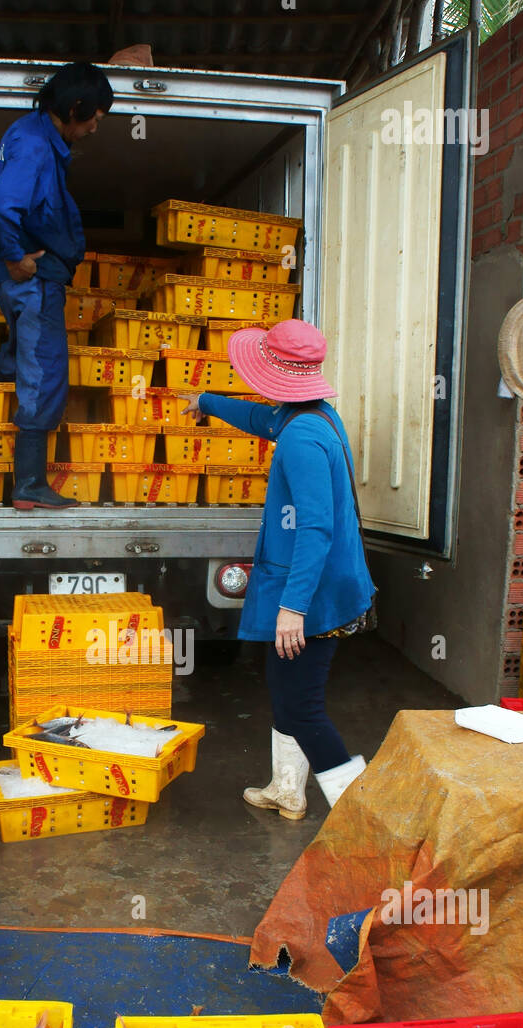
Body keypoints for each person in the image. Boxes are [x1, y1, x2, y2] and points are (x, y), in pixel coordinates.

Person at [181, 318, 376, 819]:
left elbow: (316, 529)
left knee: (302, 709)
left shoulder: (302, 439)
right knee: (286, 690)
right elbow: (259, 421)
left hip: (315, 594)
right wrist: (205, 401)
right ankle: (287, 789)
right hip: (321, 587)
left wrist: (293, 608)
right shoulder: (311, 416)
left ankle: (366, 817)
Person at [0, 62, 114, 510]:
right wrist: (16, 259)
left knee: (21, 353)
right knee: (45, 369)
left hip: (31, 278)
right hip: (34, 280)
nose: (96, 126)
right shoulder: (36, 145)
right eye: (95, 115)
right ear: (75, 107)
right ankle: (30, 483)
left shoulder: (31, 133)